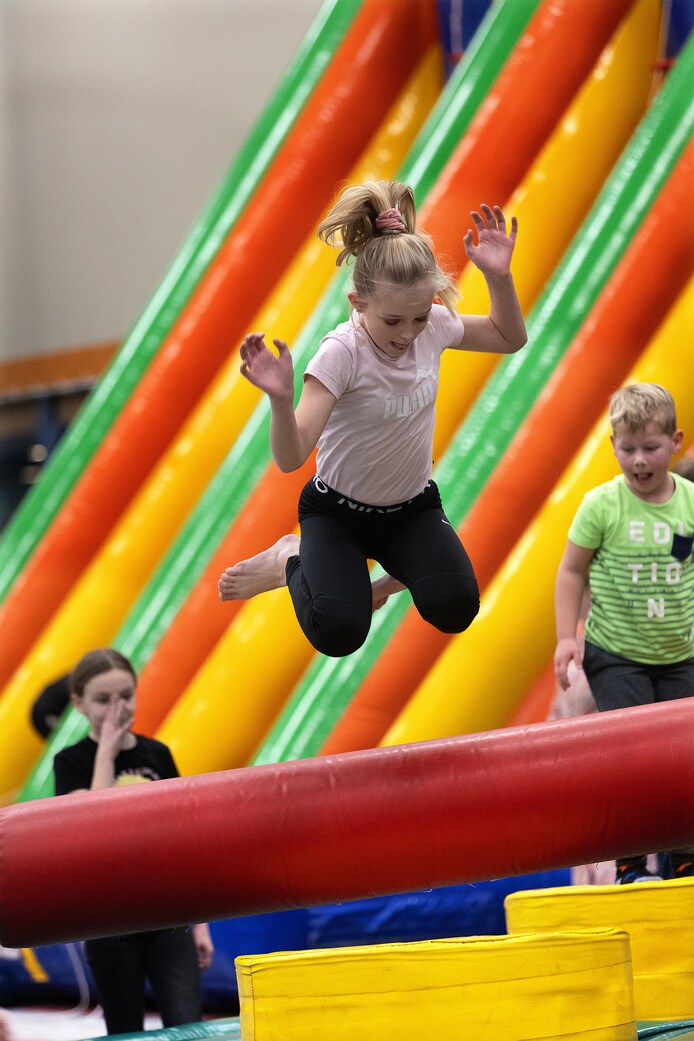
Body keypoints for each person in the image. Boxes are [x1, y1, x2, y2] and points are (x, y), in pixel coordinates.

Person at [218, 180, 527, 656]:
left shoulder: (434, 326)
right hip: (338, 514)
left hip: (411, 509)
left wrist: (498, 277)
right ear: (358, 304)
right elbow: (292, 455)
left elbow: (508, 337)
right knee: (339, 633)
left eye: (419, 317)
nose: (408, 334)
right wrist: (280, 400)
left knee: (456, 606)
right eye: (393, 322)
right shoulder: (343, 352)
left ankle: (373, 588)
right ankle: (289, 558)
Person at [554, 383, 694, 884]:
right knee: (634, 757)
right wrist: (567, 637)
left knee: (681, 758)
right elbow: (571, 571)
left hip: (681, 654)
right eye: (627, 448)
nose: (638, 460)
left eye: (650, 448)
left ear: (675, 442)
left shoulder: (690, 503)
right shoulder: (602, 505)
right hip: (616, 654)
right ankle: (632, 865)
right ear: (612, 444)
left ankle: (683, 859)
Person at [53, 648, 214, 1035]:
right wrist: (106, 750)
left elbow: (186, 841)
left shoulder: (156, 754)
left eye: (125, 695)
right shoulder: (71, 762)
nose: (117, 707)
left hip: (167, 915)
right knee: (124, 1029)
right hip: (110, 919)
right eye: (103, 700)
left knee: (185, 1027)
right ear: (79, 703)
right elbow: (93, 825)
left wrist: (202, 924)